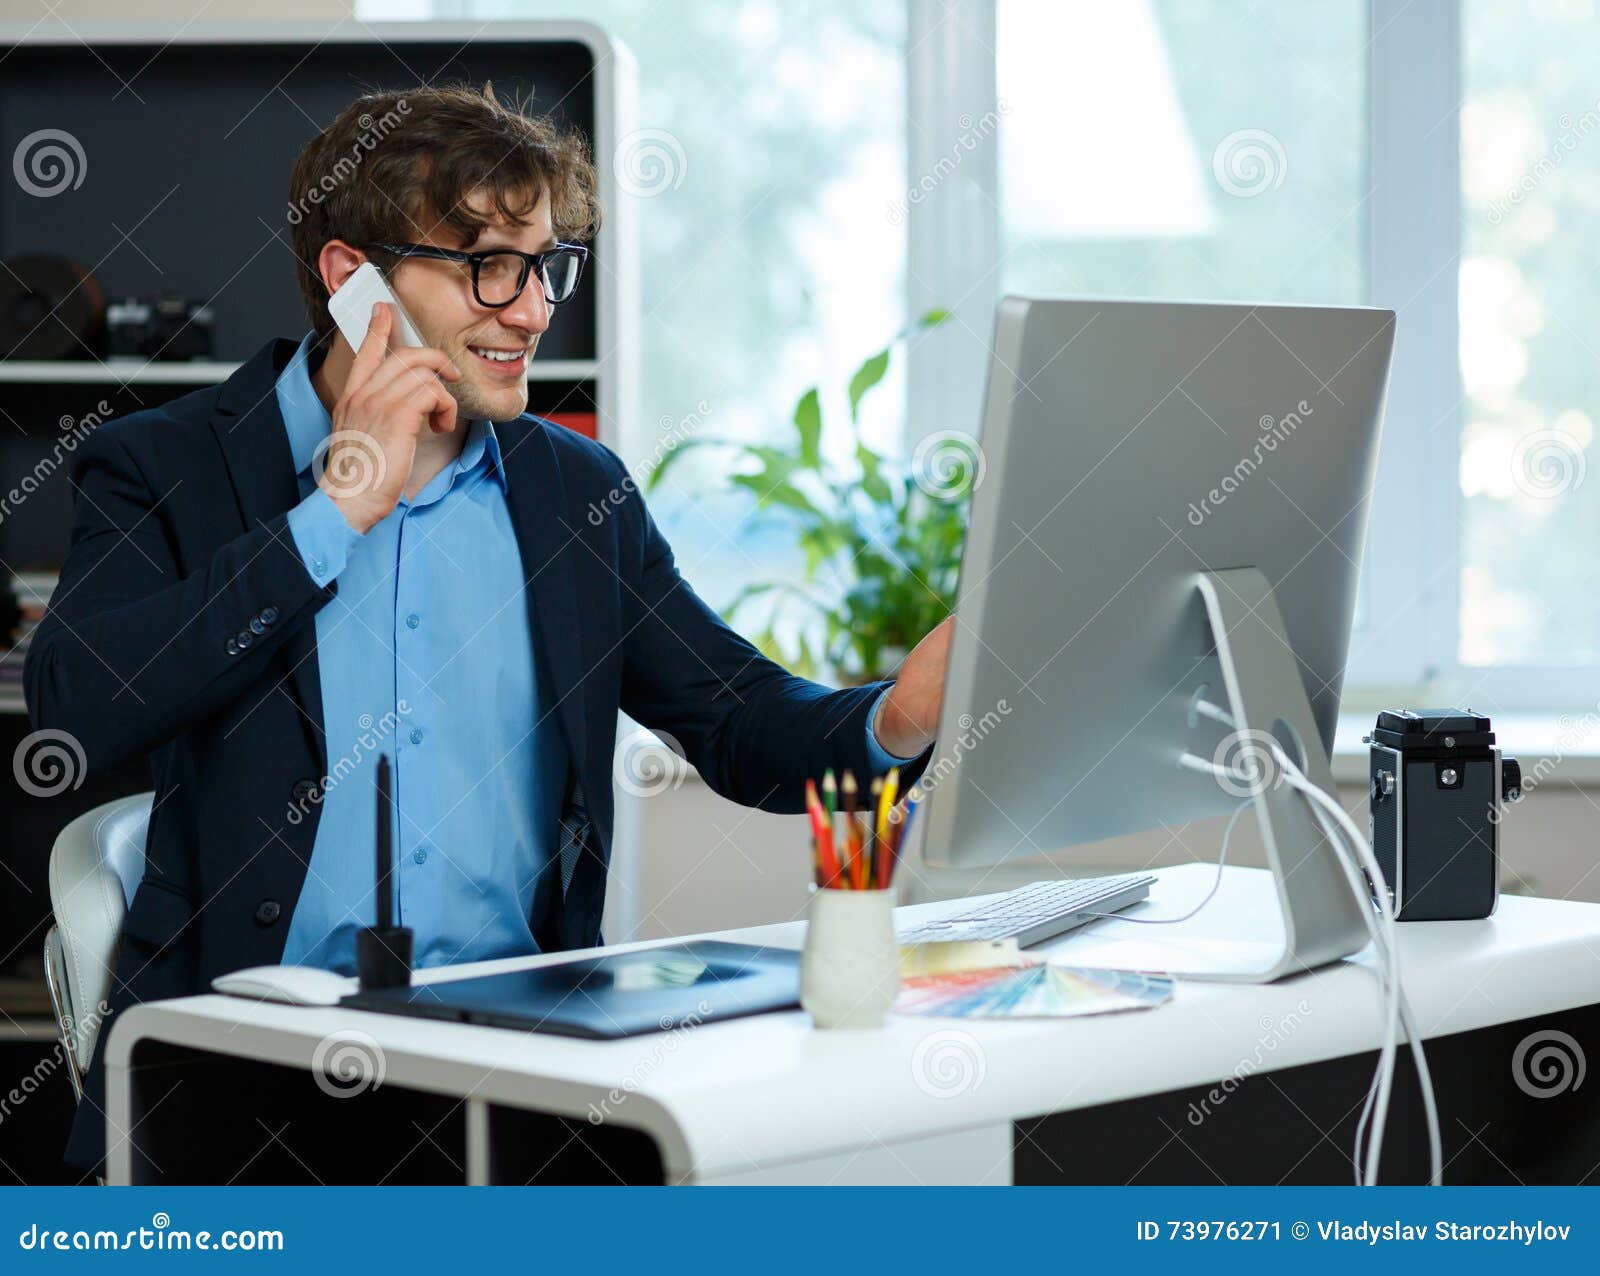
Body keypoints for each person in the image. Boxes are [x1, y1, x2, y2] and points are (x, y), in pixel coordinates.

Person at [25, 82, 950, 1178]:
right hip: (236, 1081)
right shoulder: (164, 464)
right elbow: (78, 703)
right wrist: (332, 515)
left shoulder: (574, 493)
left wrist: (896, 715)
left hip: (524, 1079)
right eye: (488, 267)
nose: (532, 309)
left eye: (547, 264)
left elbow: (737, 716)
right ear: (350, 277)